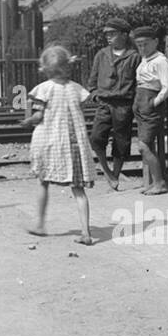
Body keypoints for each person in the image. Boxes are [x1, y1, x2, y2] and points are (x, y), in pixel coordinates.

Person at [23, 44, 94, 245]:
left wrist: (28, 121)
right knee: (79, 190)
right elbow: (83, 105)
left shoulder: (43, 89)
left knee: (43, 182)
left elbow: (38, 116)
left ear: (46, 69)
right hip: (75, 145)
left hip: (52, 144)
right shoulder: (76, 88)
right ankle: (86, 232)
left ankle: (40, 224)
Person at [86, 17, 141, 191]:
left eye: (113, 33)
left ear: (124, 35)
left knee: (121, 142)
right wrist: (95, 94)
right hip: (104, 103)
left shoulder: (134, 56)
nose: (108, 37)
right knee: (96, 138)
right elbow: (92, 81)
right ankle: (108, 172)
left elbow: (139, 82)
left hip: (123, 105)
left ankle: (115, 175)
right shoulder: (101, 54)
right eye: (107, 34)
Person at [131, 26, 168, 195]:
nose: (142, 48)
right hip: (140, 102)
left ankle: (160, 183)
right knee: (146, 144)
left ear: (155, 42)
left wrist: (154, 102)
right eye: (139, 45)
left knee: (143, 146)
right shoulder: (144, 59)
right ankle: (154, 182)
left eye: (146, 44)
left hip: (149, 102)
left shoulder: (160, 61)